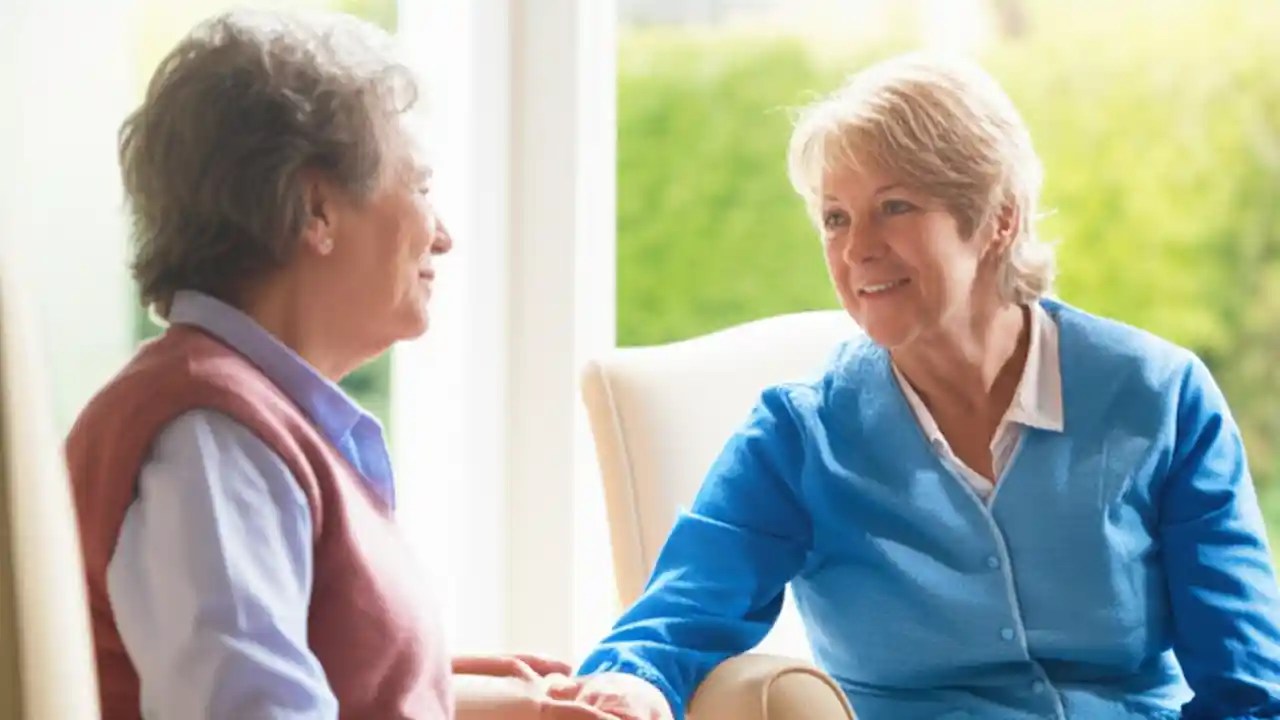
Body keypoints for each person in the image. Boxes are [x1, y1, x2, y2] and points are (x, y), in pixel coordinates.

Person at [555, 52, 1280, 719]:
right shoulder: (801, 436)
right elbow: (680, 612)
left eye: (894, 206)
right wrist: (629, 680)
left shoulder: (1159, 397)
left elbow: (1247, 681)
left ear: (998, 219)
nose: (856, 248)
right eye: (834, 218)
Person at [65, 10, 611, 720]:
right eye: (418, 186)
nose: (442, 236)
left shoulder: (246, 416)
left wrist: (482, 702)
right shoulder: (208, 436)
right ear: (314, 209)